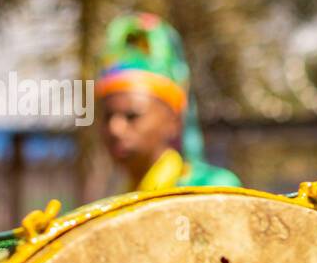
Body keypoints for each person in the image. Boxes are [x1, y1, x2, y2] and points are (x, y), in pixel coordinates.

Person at [95, 13, 241, 192]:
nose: (114, 128)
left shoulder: (211, 190)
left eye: (132, 116)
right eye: (107, 117)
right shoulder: (116, 205)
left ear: (174, 120)